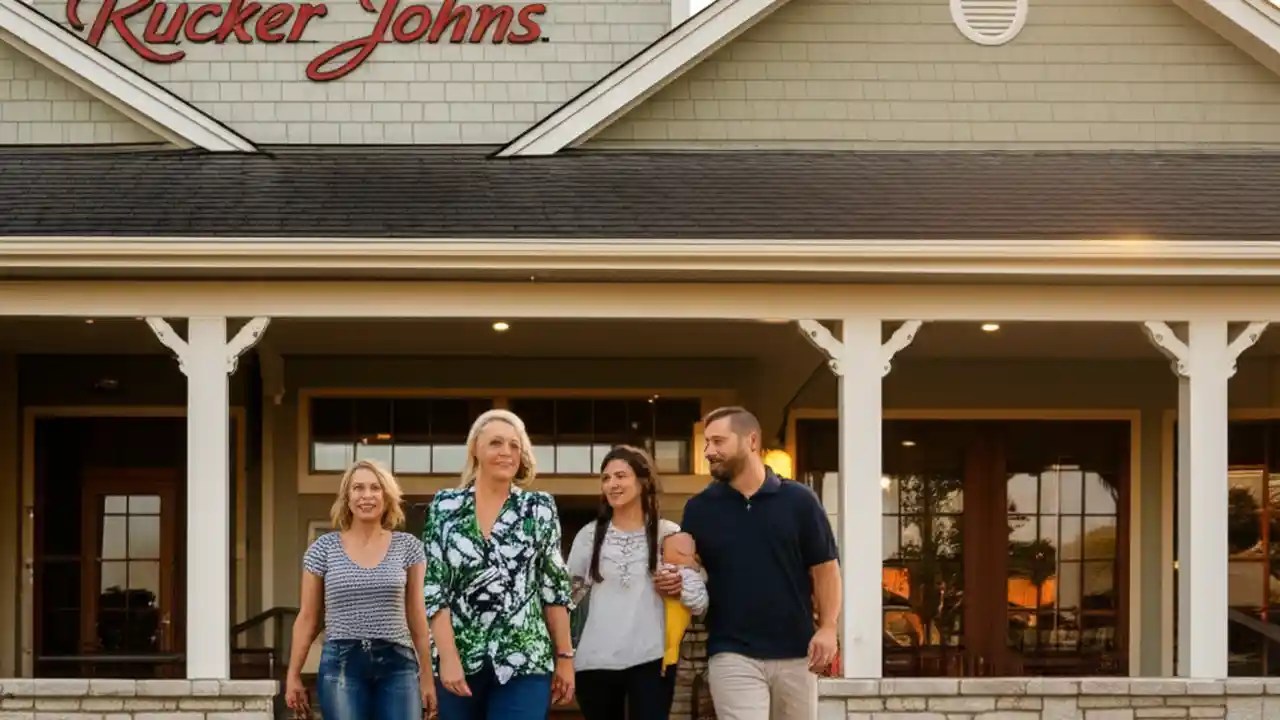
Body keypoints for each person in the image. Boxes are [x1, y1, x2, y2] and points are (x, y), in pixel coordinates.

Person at [671, 406, 841, 720]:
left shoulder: (801, 502)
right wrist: (674, 578)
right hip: (731, 652)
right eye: (706, 443)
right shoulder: (699, 509)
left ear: (751, 441)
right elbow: (687, 568)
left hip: (796, 653)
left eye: (718, 442)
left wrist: (829, 628)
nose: (709, 451)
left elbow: (825, 568)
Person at [422, 409, 575, 720]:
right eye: (496, 443)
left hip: (525, 660)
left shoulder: (539, 508)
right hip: (459, 661)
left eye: (514, 446)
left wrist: (565, 657)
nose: (506, 452)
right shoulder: (445, 507)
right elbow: (434, 587)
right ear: (476, 449)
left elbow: (554, 588)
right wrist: (448, 657)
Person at [284, 459, 436, 720]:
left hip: (398, 664)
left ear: (386, 497)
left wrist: (427, 676)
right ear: (347, 497)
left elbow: (417, 615)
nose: (367, 496)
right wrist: (293, 675)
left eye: (375, 488)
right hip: (341, 664)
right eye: (358, 488)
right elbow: (308, 616)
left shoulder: (408, 547)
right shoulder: (323, 549)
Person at [567, 445, 708, 720]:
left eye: (621, 476)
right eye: (606, 478)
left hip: (651, 660)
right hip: (594, 661)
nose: (612, 484)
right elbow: (565, 596)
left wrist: (680, 584)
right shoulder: (589, 535)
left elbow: (700, 600)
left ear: (643, 482)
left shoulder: (669, 534)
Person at [659, 531, 699, 677]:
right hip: (661, 630)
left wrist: (684, 591)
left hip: (680, 635)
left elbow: (699, 602)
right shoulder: (659, 569)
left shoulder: (693, 575)